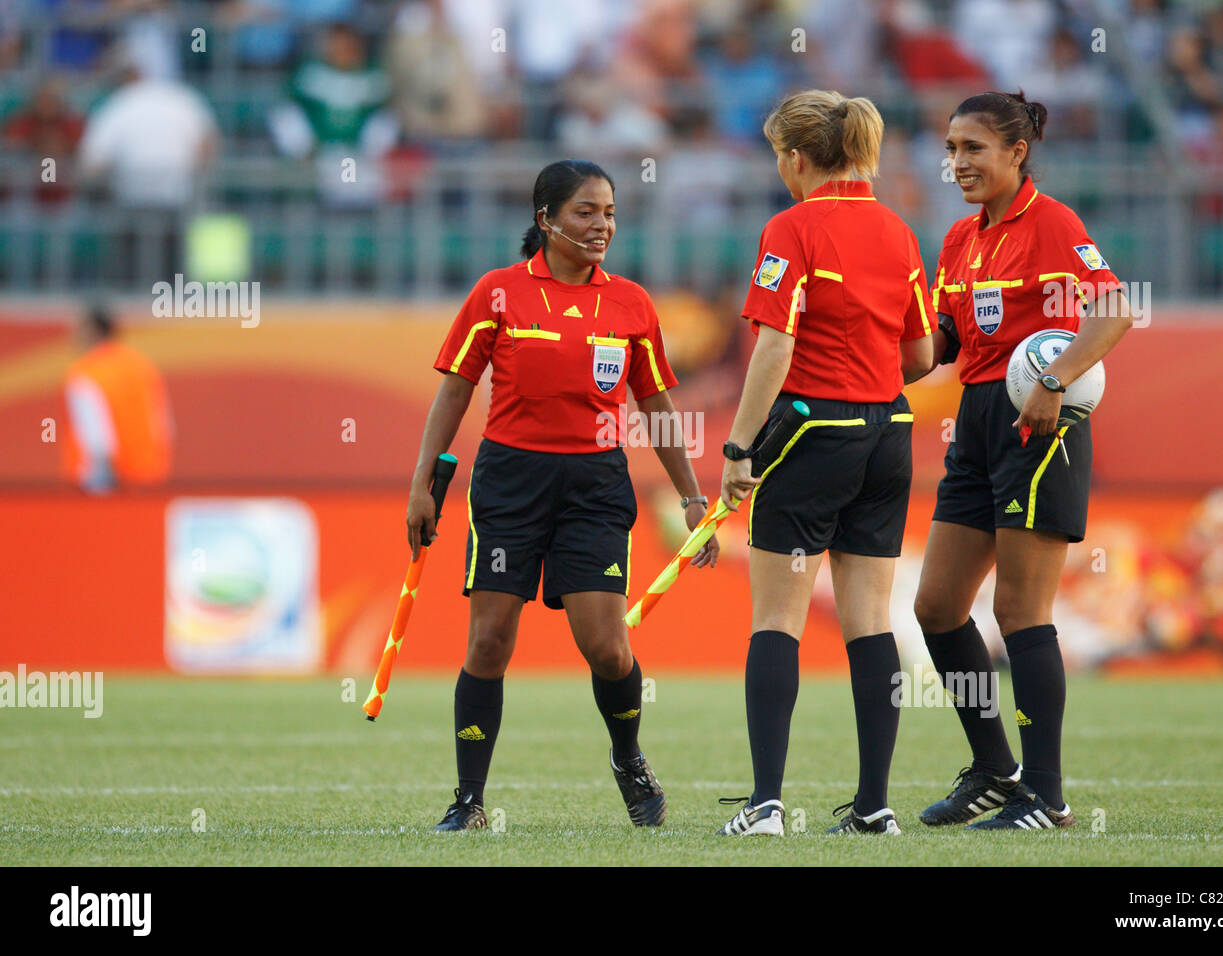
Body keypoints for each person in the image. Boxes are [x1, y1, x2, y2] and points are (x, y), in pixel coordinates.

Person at [408, 159, 718, 830]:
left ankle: (628, 756)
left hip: (596, 484)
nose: (601, 224)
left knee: (607, 647)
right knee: (489, 642)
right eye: (585, 212)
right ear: (545, 219)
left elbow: (658, 404)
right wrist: (421, 484)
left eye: (608, 212)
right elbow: (454, 390)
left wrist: (692, 497)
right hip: (510, 482)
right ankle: (469, 800)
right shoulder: (498, 293)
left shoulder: (631, 303)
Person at [715, 90, 936, 837]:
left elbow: (773, 348)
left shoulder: (792, 227)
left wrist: (740, 449)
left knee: (777, 617)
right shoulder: (899, 231)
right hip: (890, 433)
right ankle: (875, 807)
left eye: (779, 156)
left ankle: (767, 805)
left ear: (797, 156)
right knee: (870, 621)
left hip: (813, 432)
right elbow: (922, 355)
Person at [913, 91, 1134, 830]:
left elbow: (1114, 307)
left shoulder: (1053, 223)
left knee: (1017, 610)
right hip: (976, 422)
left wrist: (1054, 379)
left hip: (1042, 422)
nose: (958, 162)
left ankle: (1046, 794)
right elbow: (941, 342)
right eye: (951, 149)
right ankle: (994, 769)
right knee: (937, 607)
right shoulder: (957, 239)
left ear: (1017, 152)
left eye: (973, 147)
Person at [62, 305, 174, 494]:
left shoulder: (86, 372)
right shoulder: (141, 366)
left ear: (93, 330)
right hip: (149, 475)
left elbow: (96, 434)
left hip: (106, 481)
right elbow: (164, 423)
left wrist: (102, 477)